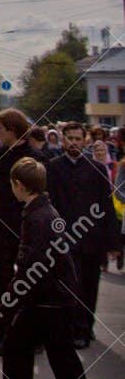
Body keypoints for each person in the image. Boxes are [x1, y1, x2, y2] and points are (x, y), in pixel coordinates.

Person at [0, 157, 100, 379]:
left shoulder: (39, 217)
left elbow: (31, 266)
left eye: (12, 184)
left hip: (51, 302)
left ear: (19, 185)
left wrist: (7, 302)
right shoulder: (41, 210)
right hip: (46, 299)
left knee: (65, 365)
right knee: (16, 348)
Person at [47, 122, 113, 348]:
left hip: (91, 239)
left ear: (85, 141)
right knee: (67, 284)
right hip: (64, 238)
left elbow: (106, 205)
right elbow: (49, 204)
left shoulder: (97, 169)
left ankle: (86, 326)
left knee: (89, 284)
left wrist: (112, 242)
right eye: (70, 138)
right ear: (63, 140)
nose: (73, 143)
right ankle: (73, 328)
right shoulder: (53, 167)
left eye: (77, 138)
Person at [0, 108, 40, 351]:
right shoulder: (0, 154)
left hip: (29, 228)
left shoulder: (34, 158)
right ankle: (4, 333)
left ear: (12, 129)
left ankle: (34, 335)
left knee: (32, 279)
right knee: (3, 279)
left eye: (0, 129)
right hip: (3, 227)